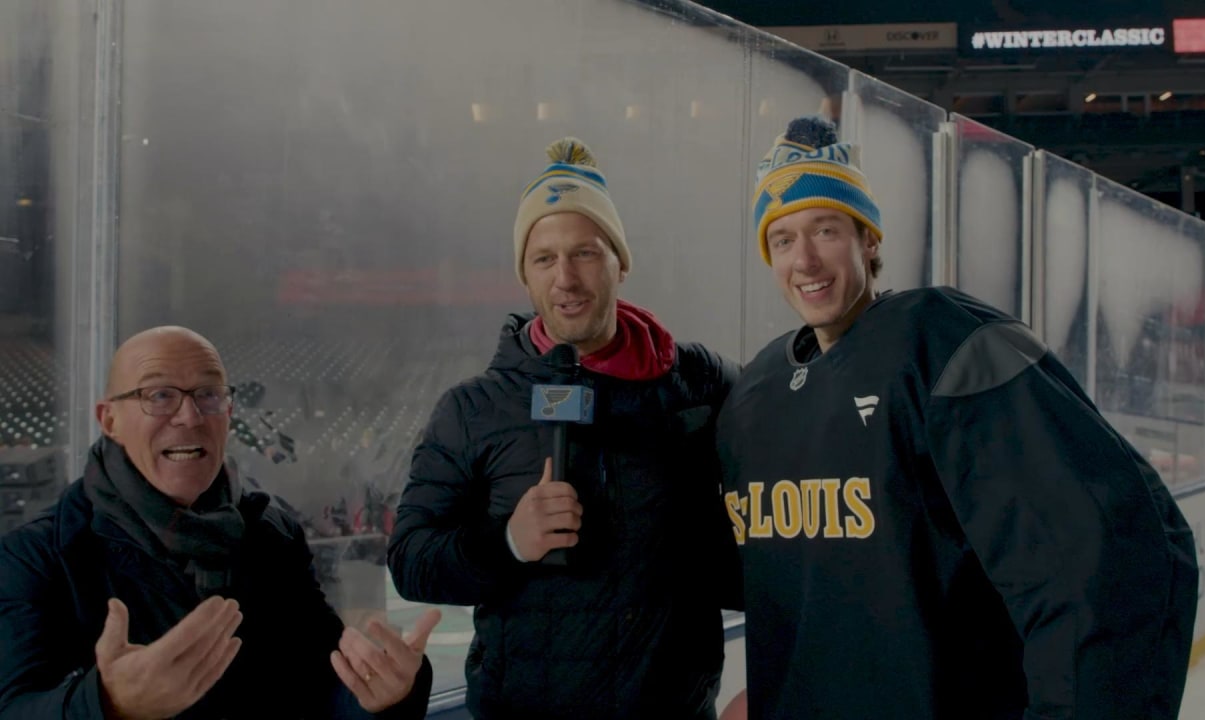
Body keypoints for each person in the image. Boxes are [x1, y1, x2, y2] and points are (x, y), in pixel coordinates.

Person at [714, 116, 1199, 719]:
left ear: (869, 240)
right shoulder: (758, 392)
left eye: (826, 230)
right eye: (783, 240)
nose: (805, 260)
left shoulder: (943, 344)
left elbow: (1100, 555)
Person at [389, 137, 742, 719]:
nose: (566, 278)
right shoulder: (473, 409)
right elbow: (410, 559)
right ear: (525, 277)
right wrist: (508, 542)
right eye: (544, 259)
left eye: (585, 253)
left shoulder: (701, 380)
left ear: (620, 262)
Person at [0, 326, 439, 719]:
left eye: (208, 395)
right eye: (159, 396)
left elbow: (320, 689)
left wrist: (384, 695)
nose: (190, 416)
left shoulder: (272, 535)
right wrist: (107, 704)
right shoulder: (36, 558)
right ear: (109, 420)